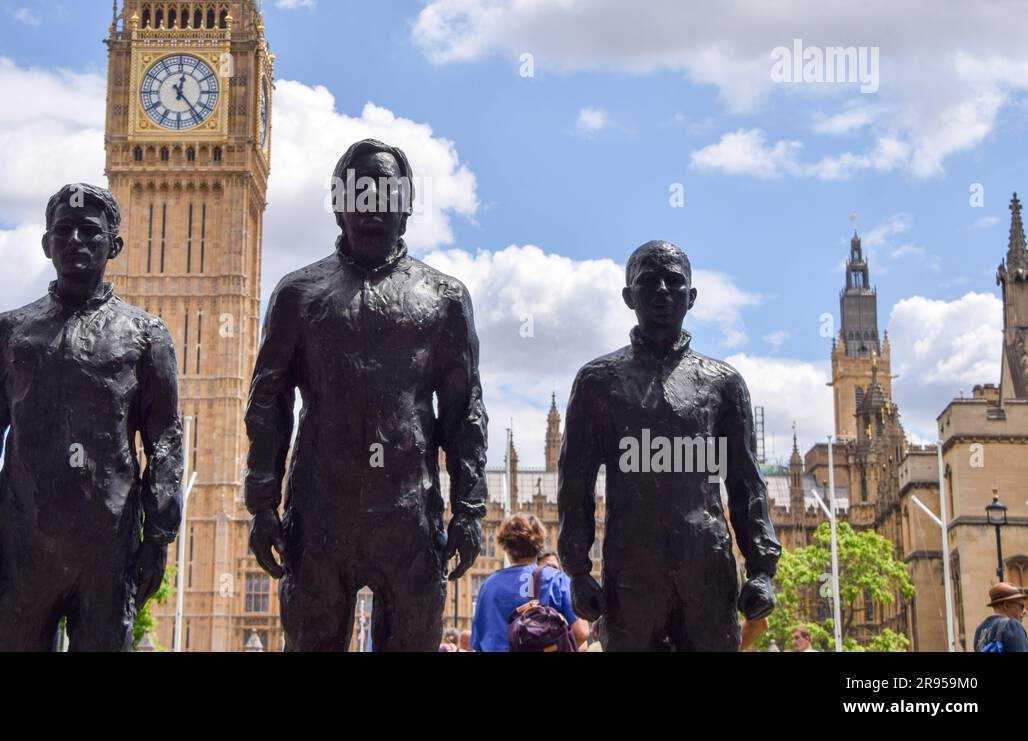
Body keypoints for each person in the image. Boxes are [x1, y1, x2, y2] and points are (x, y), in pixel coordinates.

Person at [244, 139, 489, 651]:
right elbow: (268, 404)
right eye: (359, 190)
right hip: (317, 513)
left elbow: (464, 414)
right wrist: (262, 503)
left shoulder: (444, 298)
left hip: (410, 516)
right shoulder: (298, 294)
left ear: (407, 203)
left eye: (387, 190)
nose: (373, 202)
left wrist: (468, 510)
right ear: (338, 201)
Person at [0, 183, 183, 651]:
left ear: (113, 244)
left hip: (107, 544)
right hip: (22, 541)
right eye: (63, 230)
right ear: (46, 243)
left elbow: (165, 441)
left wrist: (158, 536)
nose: (75, 240)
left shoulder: (145, 334)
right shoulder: (10, 331)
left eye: (89, 231)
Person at [558, 240, 781, 651]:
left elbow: (747, 484)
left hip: (706, 570)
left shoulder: (723, 383)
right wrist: (576, 569)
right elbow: (575, 483)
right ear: (629, 296)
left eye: (675, 282)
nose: (663, 290)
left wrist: (762, 569)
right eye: (649, 282)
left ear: (692, 296)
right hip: (630, 573)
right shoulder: (597, 382)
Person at [470, 514, 588, 652]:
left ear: (506, 548)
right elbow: (582, 633)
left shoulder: (488, 586)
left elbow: (478, 643)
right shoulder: (556, 579)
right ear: (540, 544)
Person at [974, 582, 1028, 652]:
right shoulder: (1012, 625)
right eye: (1021, 606)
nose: (1024, 611)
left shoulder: (979, 630)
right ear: (1006, 605)